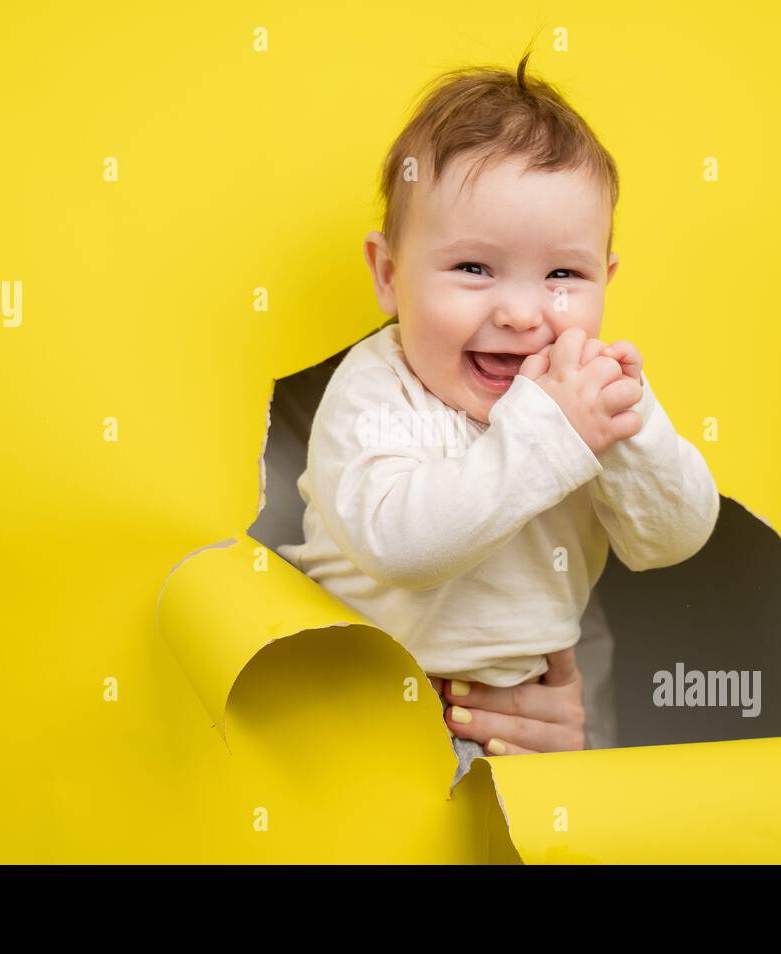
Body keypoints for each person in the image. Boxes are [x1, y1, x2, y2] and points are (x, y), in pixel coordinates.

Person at [278, 53, 720, 785]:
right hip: (354, 719)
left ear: (604, 281)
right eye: (475, 269)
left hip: (521, 730)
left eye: (562, 276)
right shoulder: (376, 392)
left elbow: (671, 539)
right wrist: (551, 433)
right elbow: (402, 545)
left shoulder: (584, 396)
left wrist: (631, 433)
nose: (521, 314)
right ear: (389, 274)